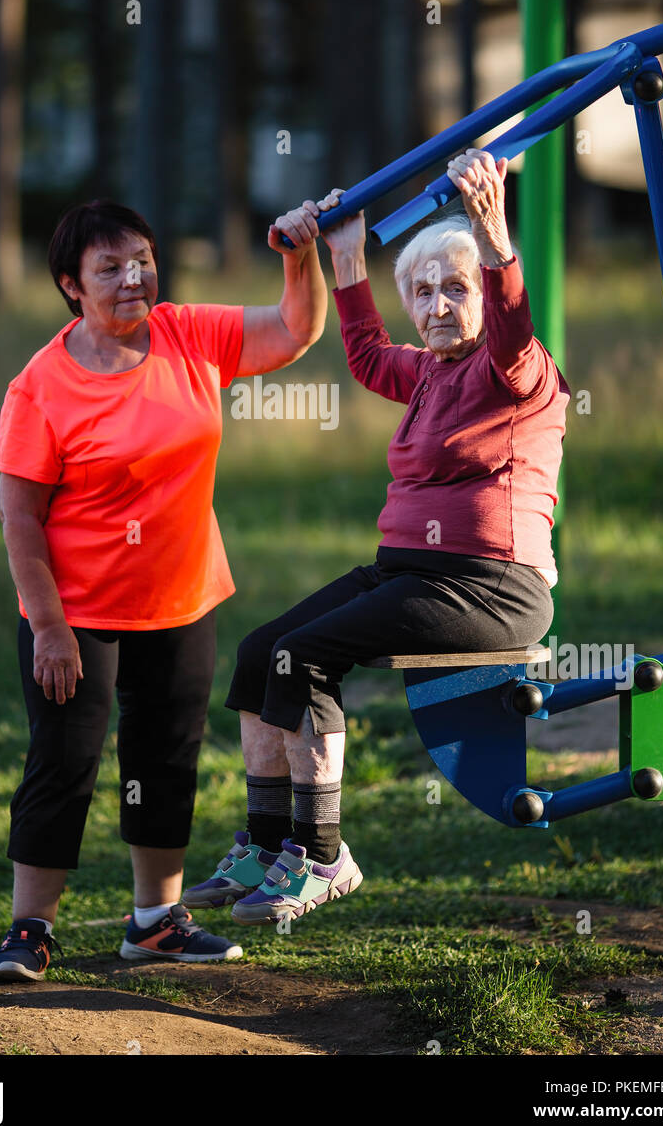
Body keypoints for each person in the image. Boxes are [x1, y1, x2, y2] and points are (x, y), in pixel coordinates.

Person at [184, 149, 571, 925]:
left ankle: (323, 857)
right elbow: (363, 353)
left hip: (487, 586)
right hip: (406, 573)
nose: (436, 306)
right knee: (263, 653)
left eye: (455, 290)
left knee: (306, 659)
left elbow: (516, 322)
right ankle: (265, 846)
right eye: (422, 292)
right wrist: (348, 250)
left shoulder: (514, 369)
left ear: (482, 299)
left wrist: (493, 231)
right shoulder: (428, 372)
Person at [0, 191, 336, 980]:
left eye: (141, 261)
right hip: (76, 614)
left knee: (165, 759)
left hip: (180, 599)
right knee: (63, 761)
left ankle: (153, 923)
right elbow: (19, 519)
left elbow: (294, 330)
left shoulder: (188, 332)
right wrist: (47, 627)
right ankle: (27, 931)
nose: (133, 279)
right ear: (72, 284)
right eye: (109, 268)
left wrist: (300, 257)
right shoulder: (39, 387)